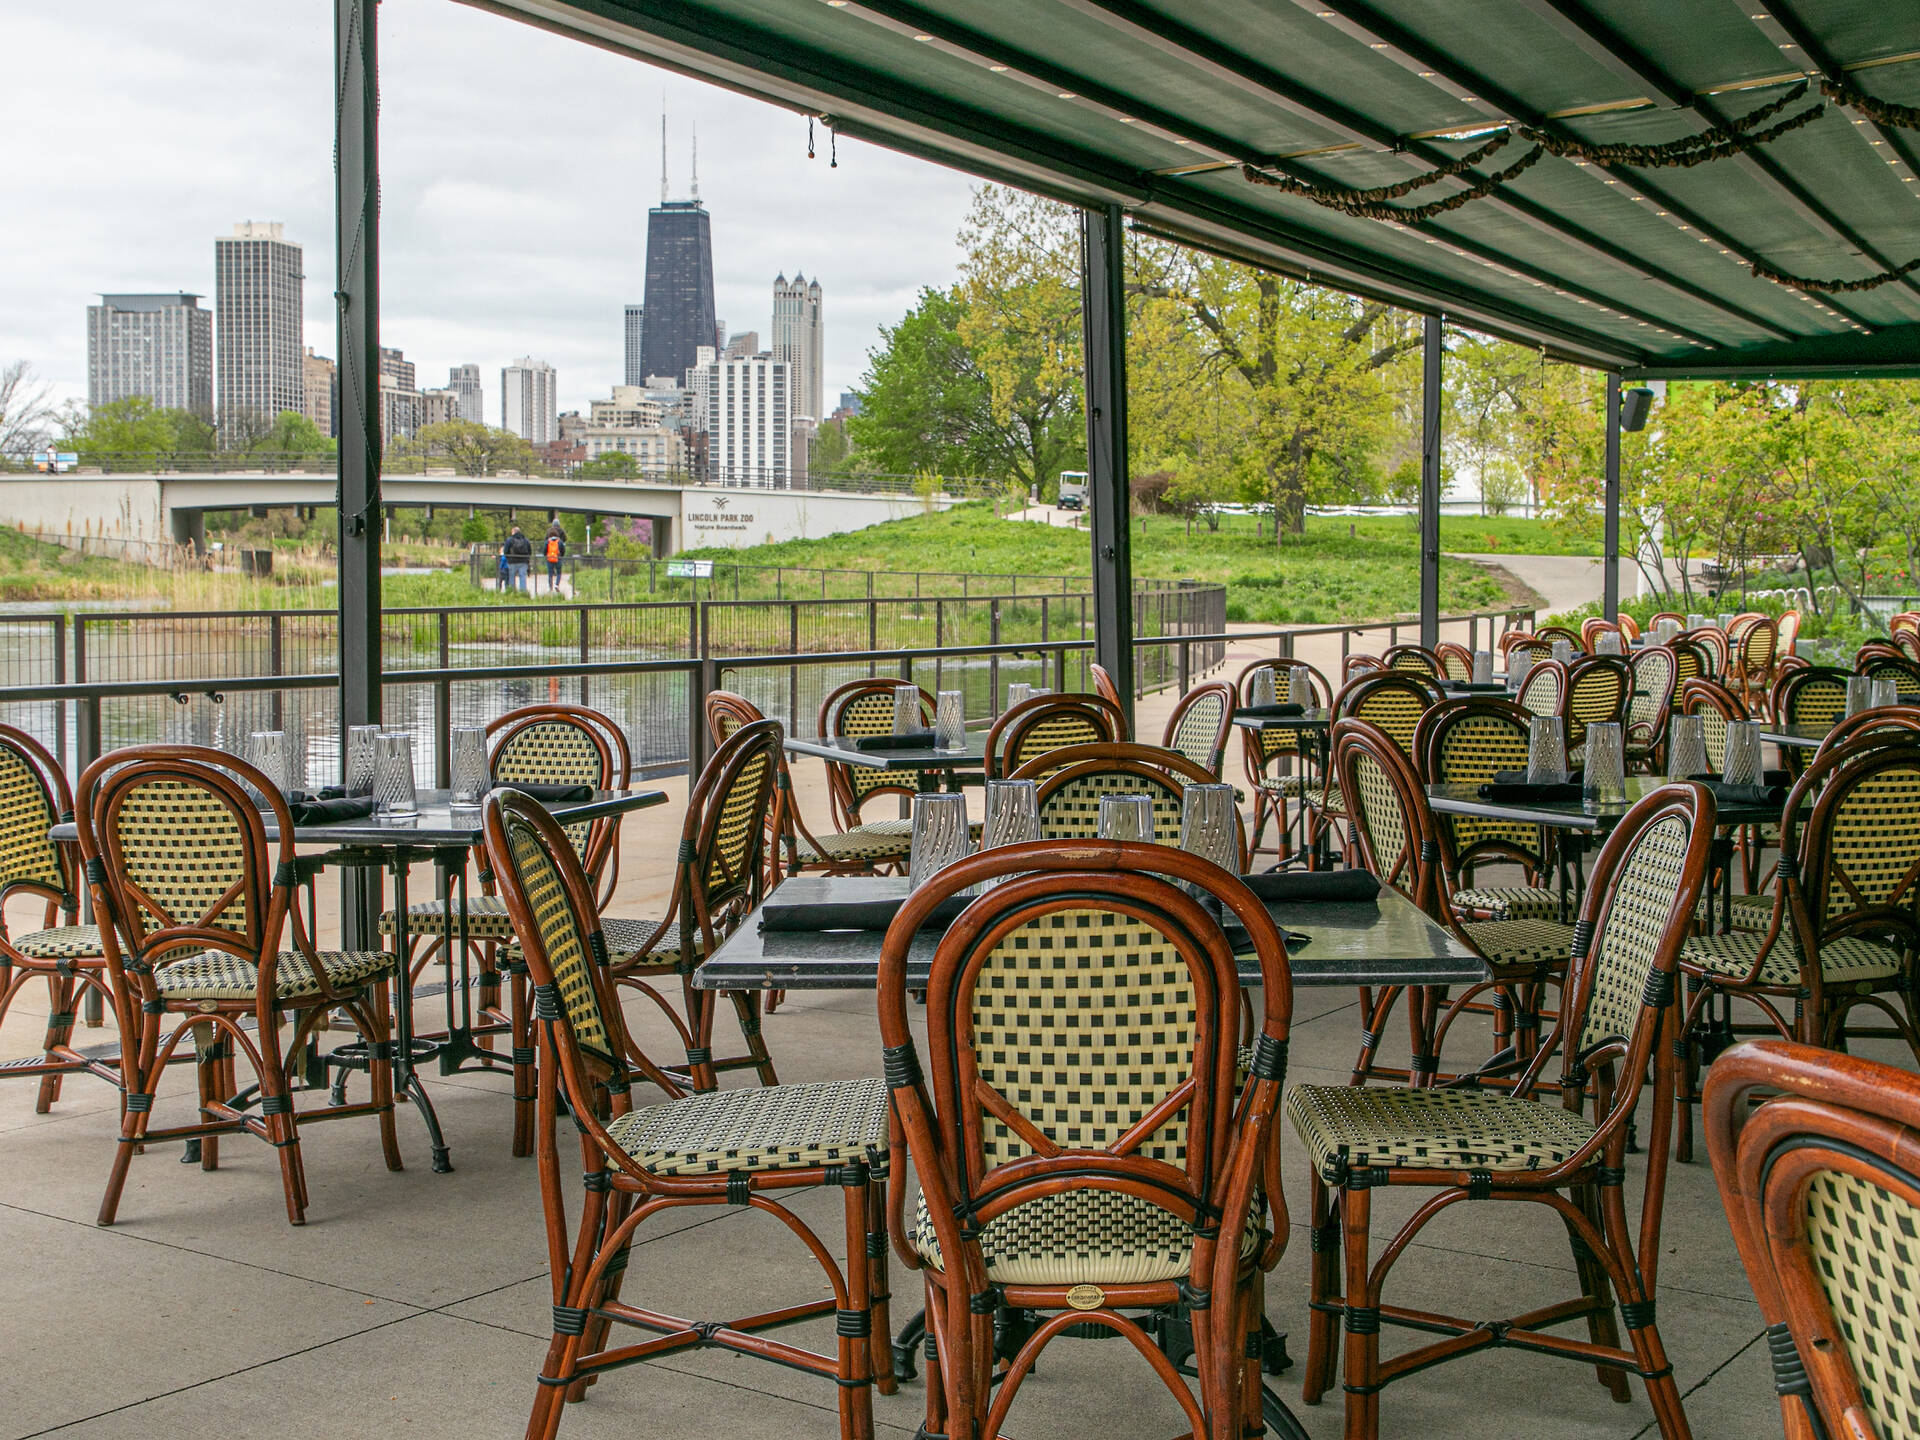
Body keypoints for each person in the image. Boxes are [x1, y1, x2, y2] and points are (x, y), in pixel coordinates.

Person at [502, 525, 532, 593]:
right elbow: (530, 551)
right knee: (522, 577)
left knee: (511, 577)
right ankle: (523, 592)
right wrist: (526, 558)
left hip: (512, 561)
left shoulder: (509, 540)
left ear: (513, 532)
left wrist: (508, 558)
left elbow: (505, 551)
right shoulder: (525, 540)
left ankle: (512, 592)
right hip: (523, 561)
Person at [543, 525, 566, 594]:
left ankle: (550, 587)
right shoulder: (560, 541)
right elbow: (563, 550)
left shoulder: (547, 541)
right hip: (558, 558)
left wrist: (546, 555)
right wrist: (561, 555)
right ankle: (556, 585)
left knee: (550, 573)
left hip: (549, 559)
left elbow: (544, 550)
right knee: (559, 573)